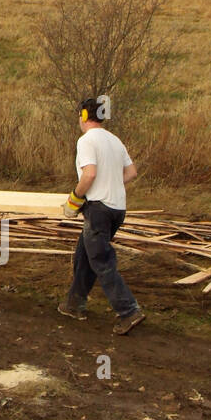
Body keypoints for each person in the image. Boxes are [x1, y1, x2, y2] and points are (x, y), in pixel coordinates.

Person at [58, 97, 145, 334]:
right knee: (84, 256)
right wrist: (113, 182)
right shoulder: (115, 141)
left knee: (102, 262)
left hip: (99, 209)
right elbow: (132, 172)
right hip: (117, 208)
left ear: (84, 116)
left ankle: (129, 311)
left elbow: (89, 175)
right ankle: (73, 304)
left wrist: (74, 200)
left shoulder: (87, 140)